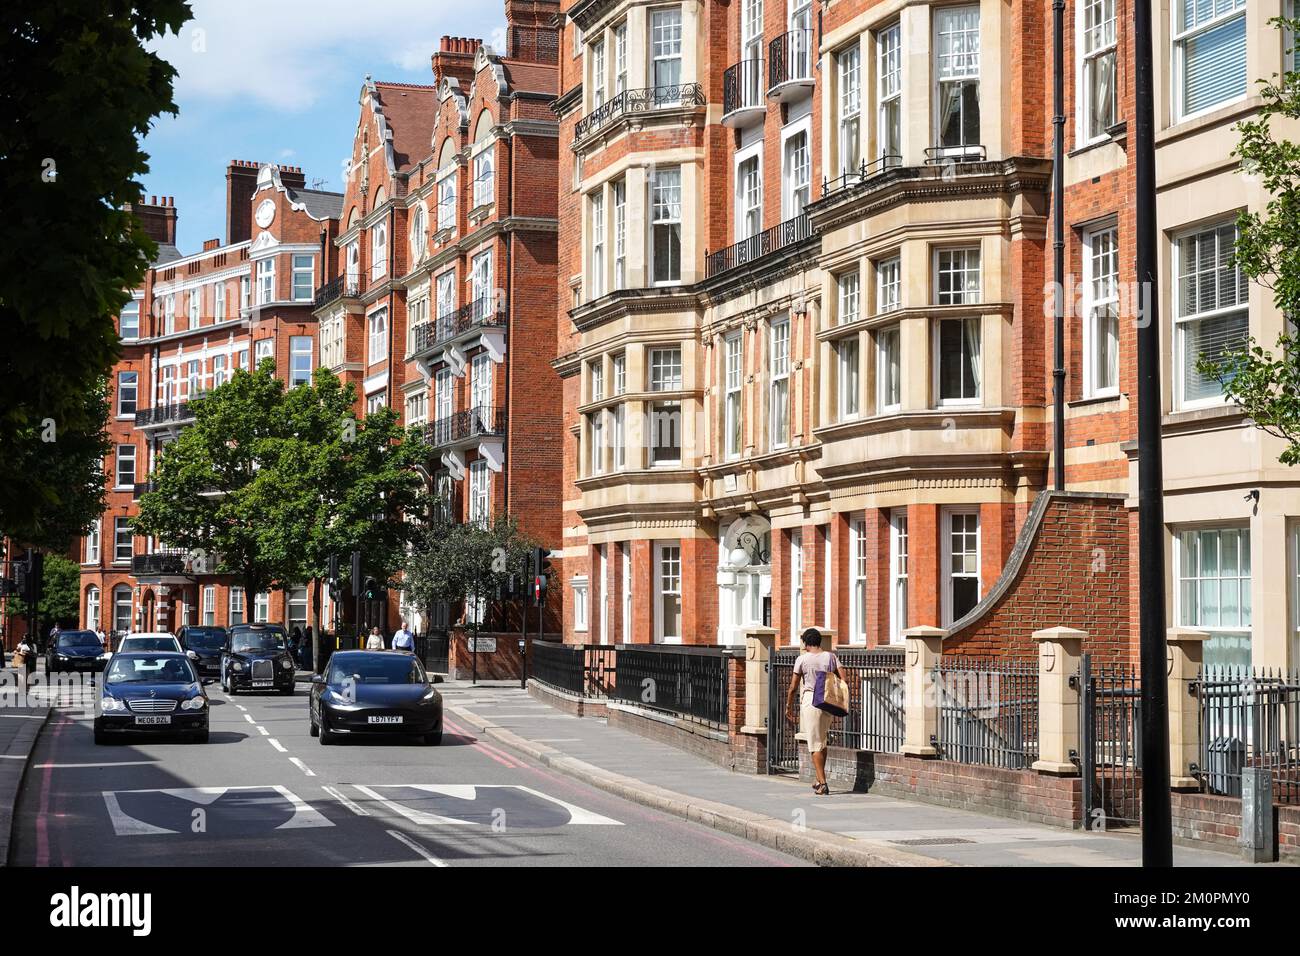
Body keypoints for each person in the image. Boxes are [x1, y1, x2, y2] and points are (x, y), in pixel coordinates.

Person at [785, 628, 843, 796]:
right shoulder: (831, 657)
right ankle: (818, 779)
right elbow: (843, 679)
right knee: (822, 740)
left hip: (811, 700)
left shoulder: (802, 659)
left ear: (805, 642)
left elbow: (793, 687)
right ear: (819, 641)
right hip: (828, 700)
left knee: (814, 744)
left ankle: (823, 783)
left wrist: (789, 706)